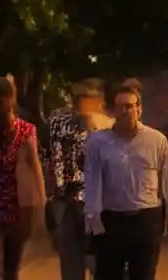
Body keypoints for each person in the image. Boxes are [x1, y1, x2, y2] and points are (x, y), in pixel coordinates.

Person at [84, 85, 168, 280]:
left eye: (129, 106)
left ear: (139, 109)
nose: (124, 111)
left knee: (144, 275)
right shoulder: (98, 142)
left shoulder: (156, 140)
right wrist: (92, 215)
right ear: (112, 111)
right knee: (107, 274)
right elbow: (92, 180)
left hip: (146, 219)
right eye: (119, 107)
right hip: (112, 219)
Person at [0, 76, 46, 280]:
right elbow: (34, 165)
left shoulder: (24, 130)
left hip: (10, 205)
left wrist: (41, 198)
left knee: (6, 268)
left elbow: (34, 164)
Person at [44, 79, 111, 280]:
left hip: (100, 204)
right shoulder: (59, 120)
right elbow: (55, 158)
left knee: (100, 263)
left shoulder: (109, 126)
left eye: (94, 100)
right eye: (85, 100)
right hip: (68, 202)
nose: (90, 106)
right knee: (71, 262)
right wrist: (57, 198)